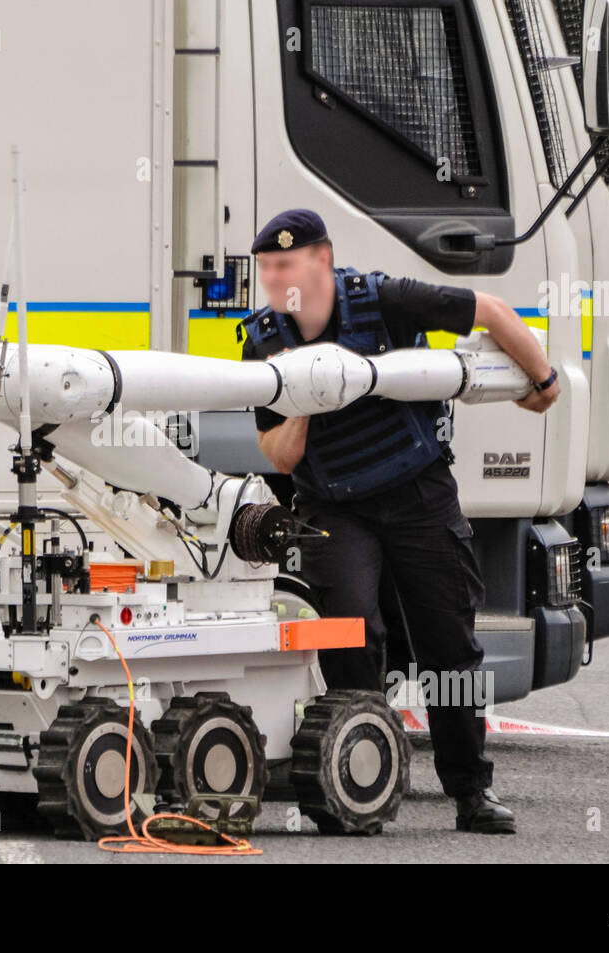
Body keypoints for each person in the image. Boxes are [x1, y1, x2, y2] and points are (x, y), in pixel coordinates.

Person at [240, 209, 560, 833]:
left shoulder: (384, 299)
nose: (275, 280)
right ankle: (356, 787)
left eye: (286, 265)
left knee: (449, 646)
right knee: (352, 633)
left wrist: (543, 381)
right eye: (267, 269)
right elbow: (279, 454)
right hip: (335, 506)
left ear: (323, 261)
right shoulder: (265, 340)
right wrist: (307, 388)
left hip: (418, 495)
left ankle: (471, 791)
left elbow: (488, 310)